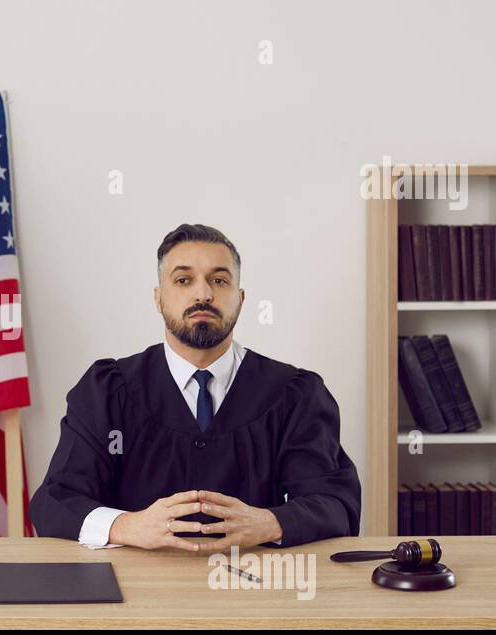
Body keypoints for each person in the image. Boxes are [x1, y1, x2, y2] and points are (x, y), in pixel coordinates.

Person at [29, 223, 361, 551]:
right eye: (183, 280)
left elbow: (335, 503)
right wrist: (127, 525)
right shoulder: (107, 391)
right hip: (134, 592)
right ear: (158, 298)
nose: (202, 294)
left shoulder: (294, 394)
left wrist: (269, 522)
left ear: (241, 299)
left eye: (219, 280)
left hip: (257, 592)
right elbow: (55, 501)